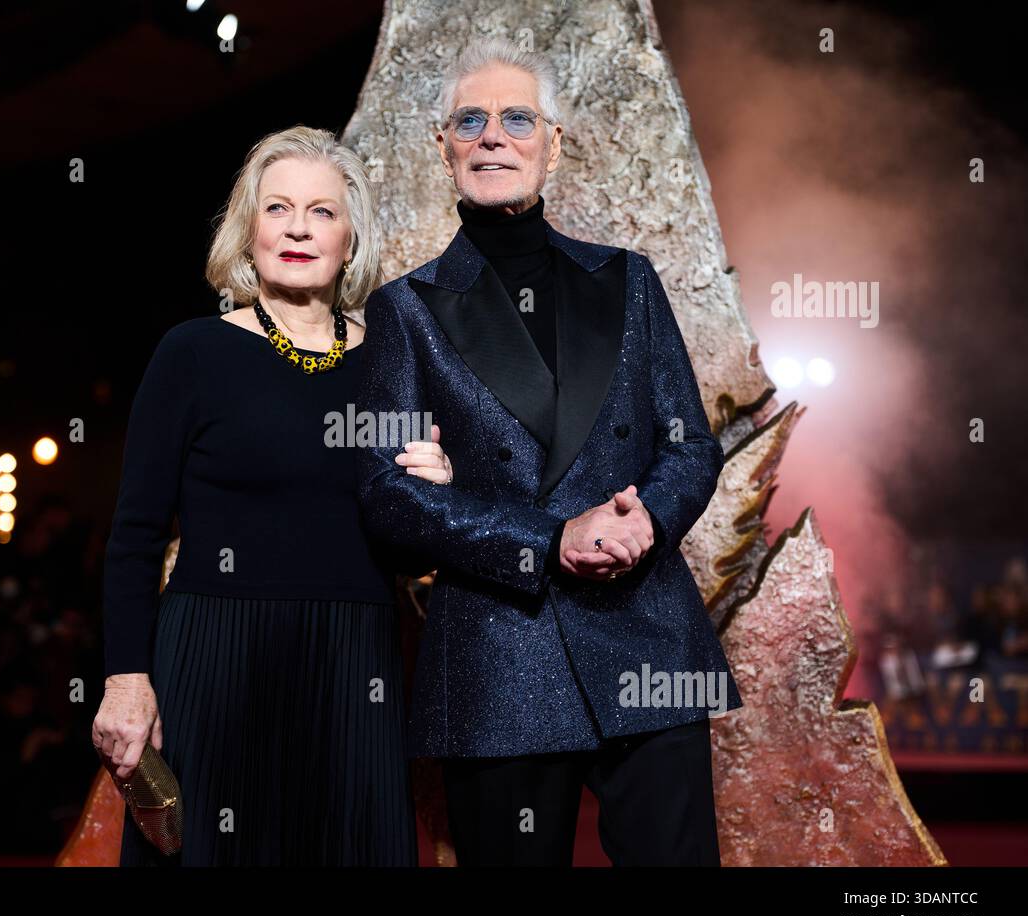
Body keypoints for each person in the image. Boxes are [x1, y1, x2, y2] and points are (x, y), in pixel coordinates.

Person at [355, 39, 743, 866]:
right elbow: (388, 495)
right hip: (501, 655)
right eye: (471, 120)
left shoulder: (630, 280)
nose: (493, 136)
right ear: (444, 147)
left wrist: (646, 522)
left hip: (647, 637)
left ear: (554, 144)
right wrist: (551, 540)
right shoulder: (404, 309)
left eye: (517, 119)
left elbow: (689, 443)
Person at [94, 126, 452, 865]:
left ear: (351, 239)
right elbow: (133, 536)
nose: (297, 228)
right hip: (215, 659)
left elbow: (404, 547)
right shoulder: (193, 352)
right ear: (248, 230)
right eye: (278, 208)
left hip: (355, 667)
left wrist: (436, 493)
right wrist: (126, 680)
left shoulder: (393, 362)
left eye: (322, 211)